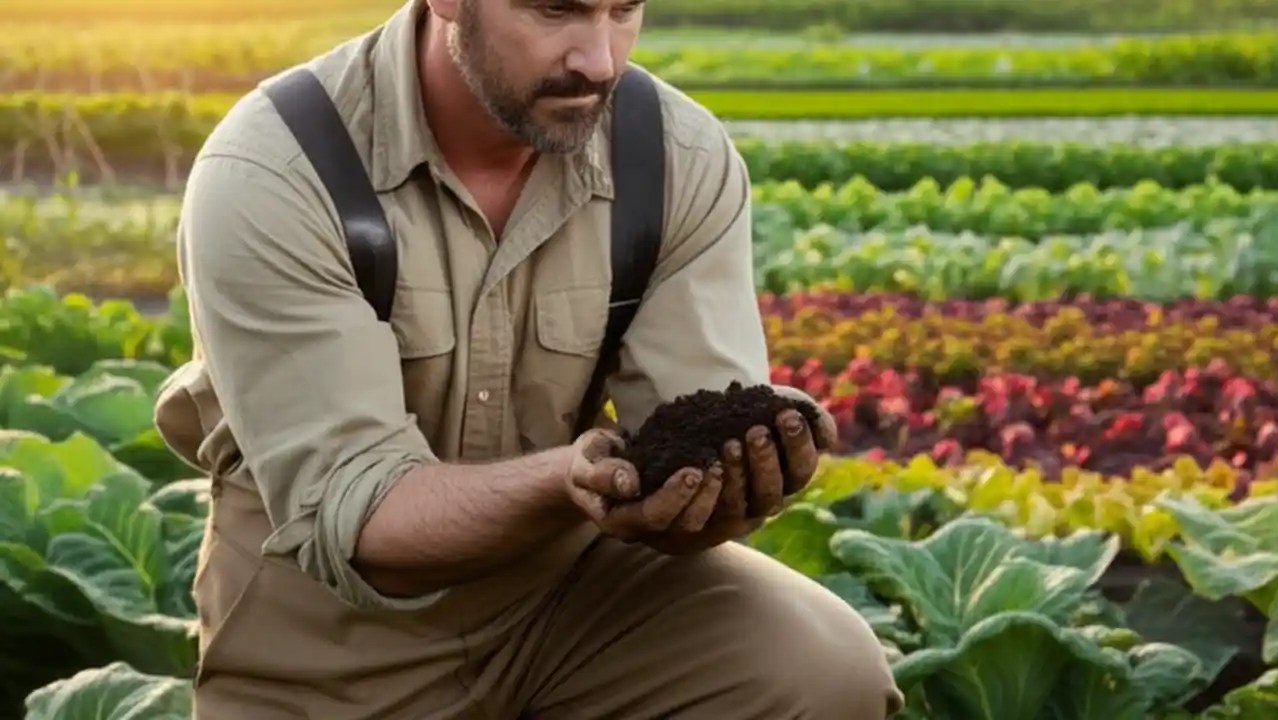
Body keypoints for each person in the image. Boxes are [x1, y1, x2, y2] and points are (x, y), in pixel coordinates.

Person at [153, 0, 905, 717]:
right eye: (556, 10)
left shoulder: (675, 157)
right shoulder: (278, 170)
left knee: (819, 667)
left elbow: (683, 463)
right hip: (333, 639)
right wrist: (569, 479)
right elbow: (362, 525)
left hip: (569, 593)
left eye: (625, 11)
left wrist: (723, 487)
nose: (600, 59)